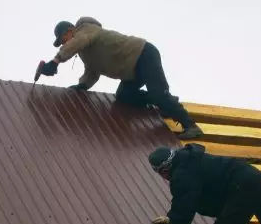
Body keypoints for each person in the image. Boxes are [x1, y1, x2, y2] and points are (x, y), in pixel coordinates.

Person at [37, 17, 204, 140]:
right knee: (124, 96)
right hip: (131, 70)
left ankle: (190, 126)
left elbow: (78, 42)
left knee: (159, 93)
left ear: (69, 31)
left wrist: (56, 61)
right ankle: (164, 101)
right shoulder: (85, 52)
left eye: (62, 40)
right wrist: (82, 86)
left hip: (142, 54)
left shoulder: (86, 30)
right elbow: (92, 72)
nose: (63, 43)